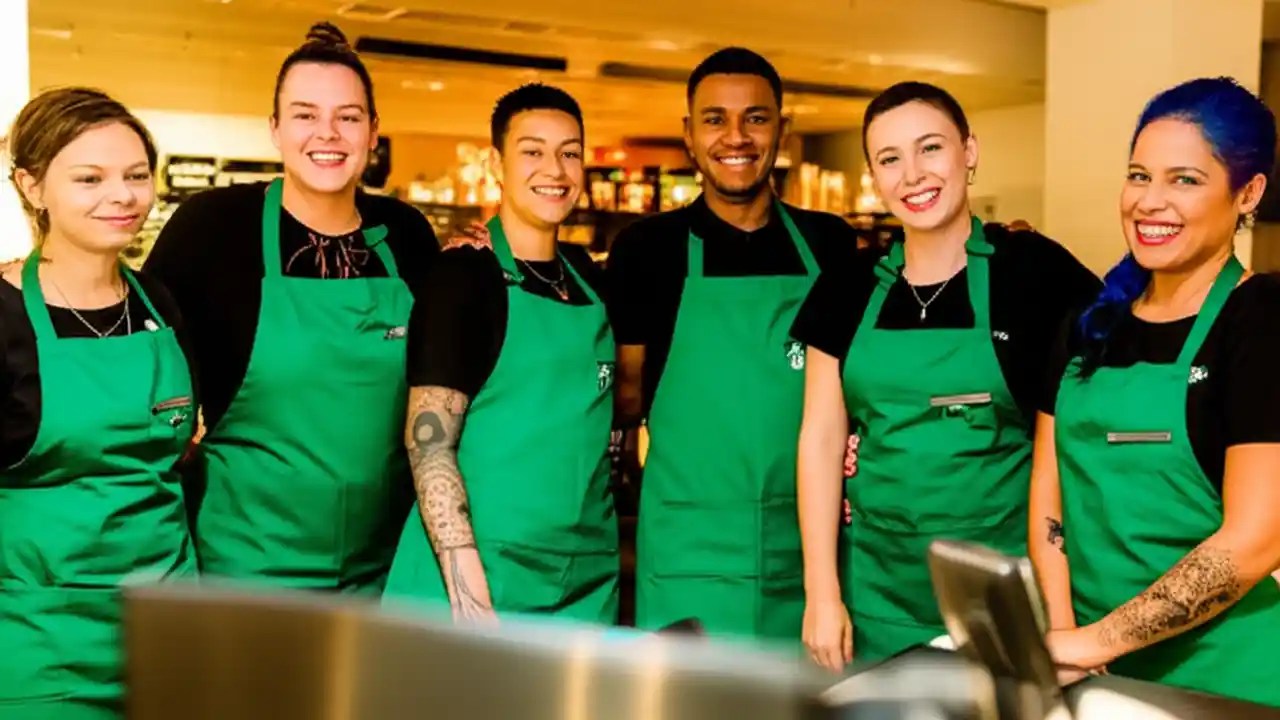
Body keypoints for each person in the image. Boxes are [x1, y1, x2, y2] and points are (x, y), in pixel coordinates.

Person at [793, 81, 1100, 670]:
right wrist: (822, 594)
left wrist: (1064, 616)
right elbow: (821, 440)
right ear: (874, 177)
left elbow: (1076, 431)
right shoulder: (846, 288)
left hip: (1007, 601)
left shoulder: (1034, 274)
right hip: (876, 600)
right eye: (890, 159)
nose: (912, 175)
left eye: (930, 148)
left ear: (970, 152)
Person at [144, 22, 438, 594]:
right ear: (275, 129)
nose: (326, 133)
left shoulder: (407, 234)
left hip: (383, 576)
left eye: (348, 117)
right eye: (304, 114)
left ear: (373, 132)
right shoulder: (212, 228)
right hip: (243, 569)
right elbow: (142, 352)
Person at [1031, 77, 1280, 707]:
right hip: (1093, 672)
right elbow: (1050, 504)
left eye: (1185, 180)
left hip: (1225, 682)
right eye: (1139, 175)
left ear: (1247, 193)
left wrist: (1096, 643)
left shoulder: (1261, 320)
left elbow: (1255, 541)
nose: (1150, 201)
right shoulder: (1088, 322)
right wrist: (1065, 637)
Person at [606, 47, 861, 642]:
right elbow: (623, 399)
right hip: (686, 552)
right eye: (715, 118)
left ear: (783, 130)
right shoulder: (646, 250)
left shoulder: (831, 246)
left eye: (756, 117)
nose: (736, 136)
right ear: (689, 135)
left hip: (809, 557)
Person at [382, 83, 618, 624]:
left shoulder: (589, 281)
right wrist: (467, 591)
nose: (554, 170)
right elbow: (429, 444)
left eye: (570, 152)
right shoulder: (463, 276)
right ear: (497, 164)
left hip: (580, 581)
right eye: (532, 151)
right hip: (478, 580)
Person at [0, 88, 196, 717]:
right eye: (91, 178)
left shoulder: (158, 303)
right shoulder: (2, 313)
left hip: (169, 632)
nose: (123, 196)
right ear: (32, 187)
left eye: (137, 176)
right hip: (41, 645)